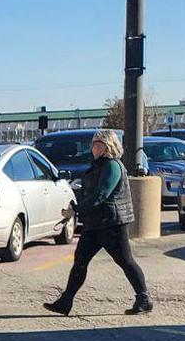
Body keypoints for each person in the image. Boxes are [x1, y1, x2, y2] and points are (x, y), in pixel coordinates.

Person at [44, 129, 152, 316]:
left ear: (108, 146)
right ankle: (66, 301)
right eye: (93, 142)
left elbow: (101, 194)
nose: (93, 146)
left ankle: (144, 298)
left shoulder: (112, 166)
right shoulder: (96, 166)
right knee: (80, 261)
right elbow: (91, 194)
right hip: (94, 223)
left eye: (98, 143)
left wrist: (76, 210)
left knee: (125, 261)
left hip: (112, 223)